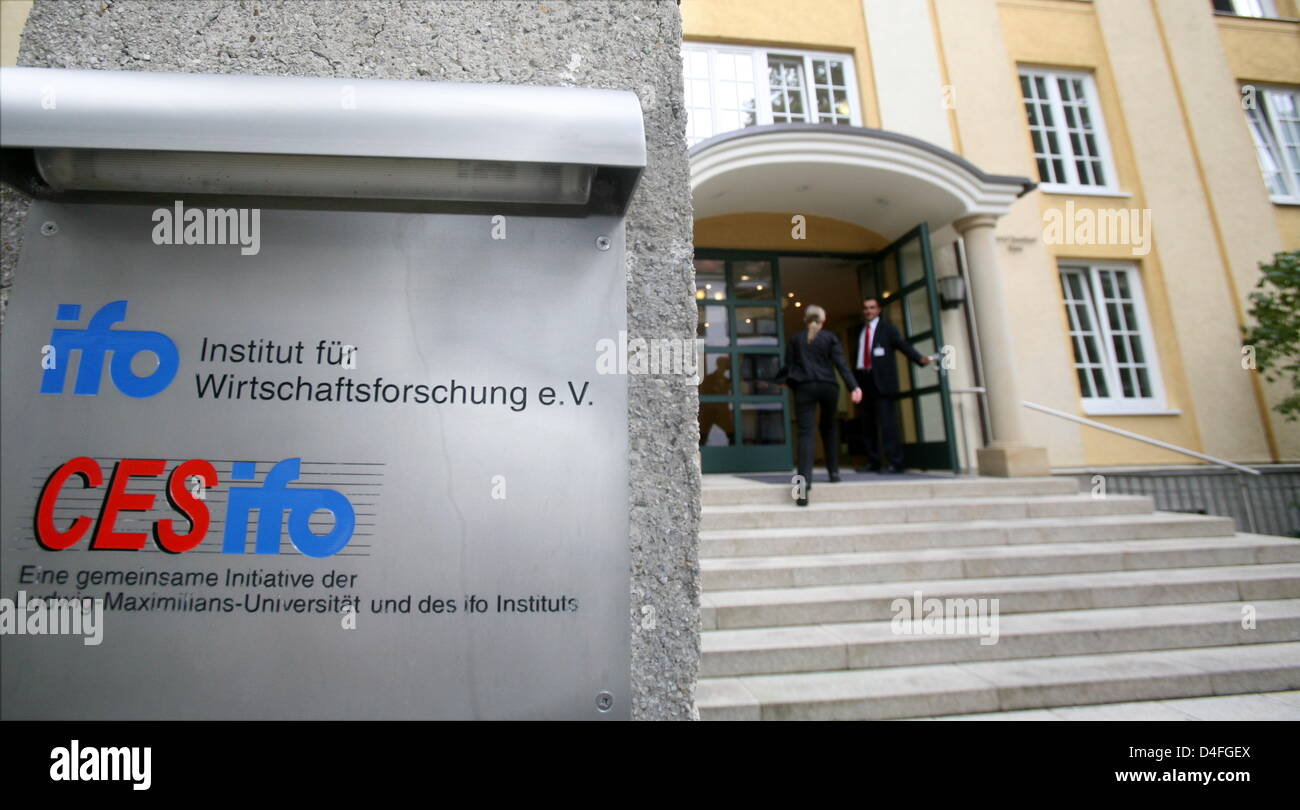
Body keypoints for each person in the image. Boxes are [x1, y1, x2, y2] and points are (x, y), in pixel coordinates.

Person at [779, 305, 861, 507]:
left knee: (805, 435)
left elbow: (788, 367)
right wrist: (854, 387)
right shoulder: (830, 338)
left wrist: (785, 382)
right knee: (829, 428)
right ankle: (833, 472)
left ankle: (803, 488)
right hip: (828, 388)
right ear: (823, 320)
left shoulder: (796, 339)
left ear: (805, 319)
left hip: (805, 389)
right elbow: (841, 364)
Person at [849, 297, 931, 474]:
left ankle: (895, 462)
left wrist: (919, 358)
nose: (868, 311)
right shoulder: (859, 331)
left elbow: (902, 345)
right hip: (863, 382)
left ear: (878, 310)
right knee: (866, 425)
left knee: (887, 424)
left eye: (872, 308)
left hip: (882, 383)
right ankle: (873, 462)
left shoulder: (887, 330)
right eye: (865, 308)